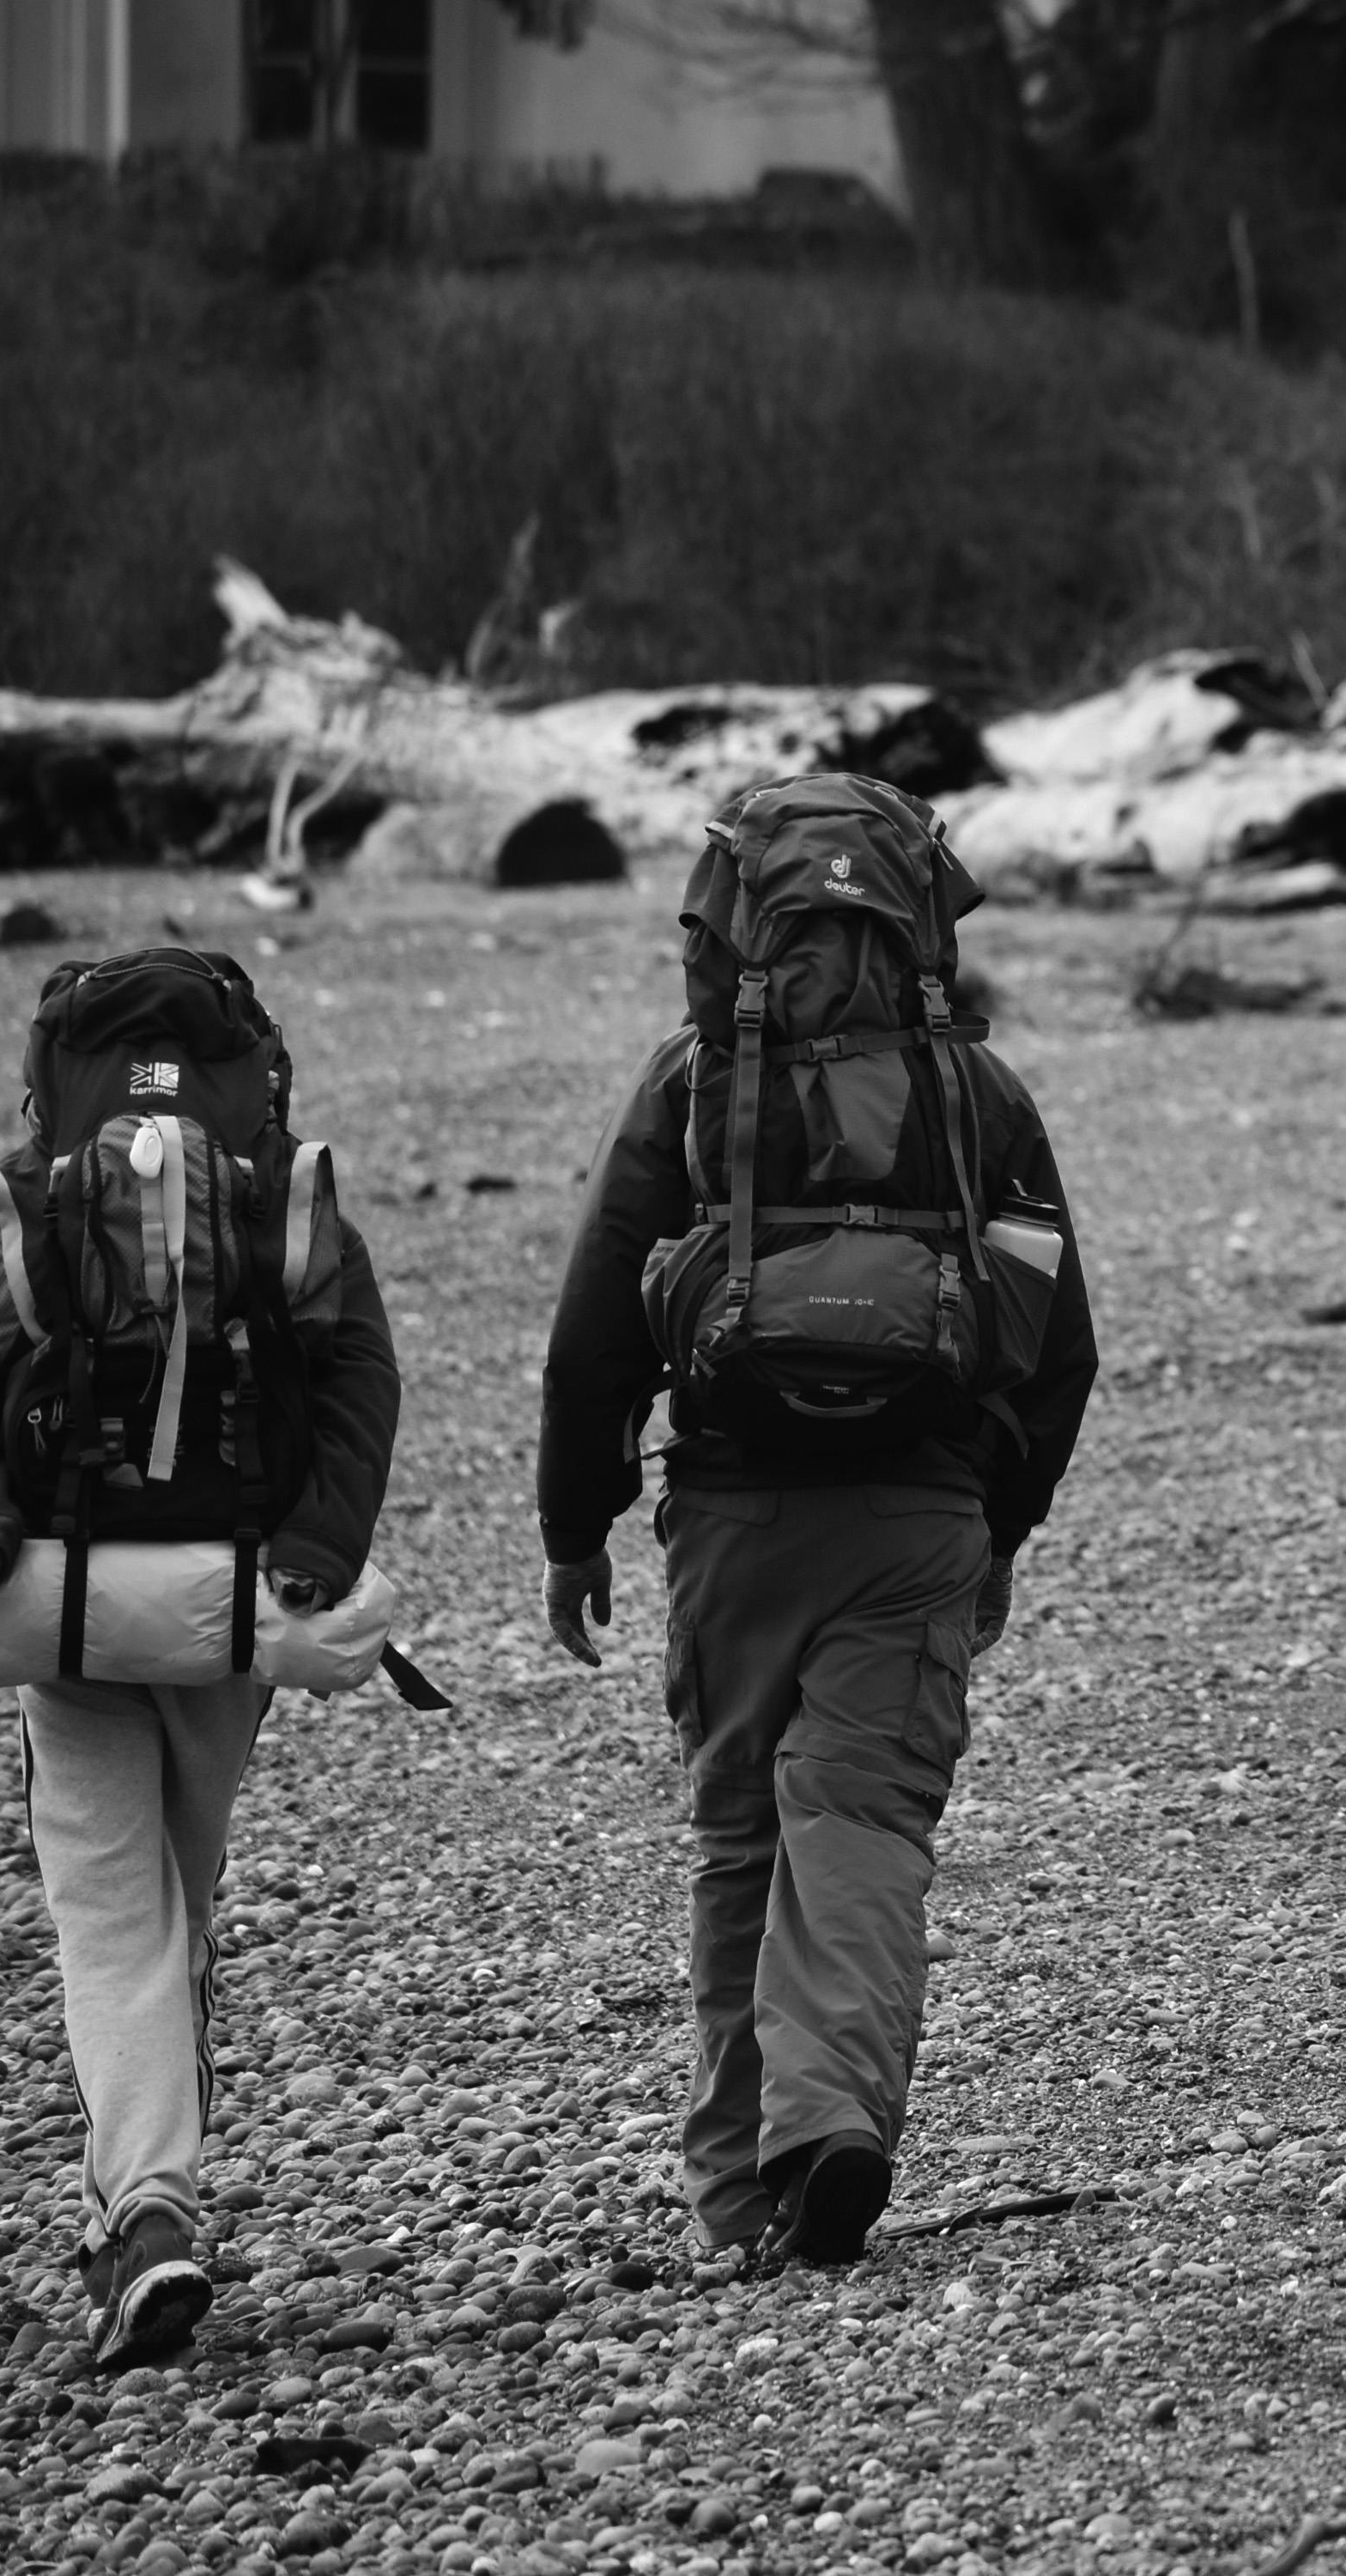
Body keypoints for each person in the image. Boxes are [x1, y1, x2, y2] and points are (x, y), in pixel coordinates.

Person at [537, 775, 1100, 2266]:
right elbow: (1061, 1348)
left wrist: (575, 1522)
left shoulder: (687, 1087)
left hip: (732, 1520)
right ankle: (830, 2128)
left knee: (737, 1843)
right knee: (859, 1821)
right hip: (917, 1516)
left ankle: (735, 2199)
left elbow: (598, 1323)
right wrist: (1003, 1530)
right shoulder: (980, 1097)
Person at [0, 949, 403, 2366]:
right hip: (234, 1597)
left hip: (63, 1599)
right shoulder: (277, 1199)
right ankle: (145, 2207)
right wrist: (320, 1539)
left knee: (107, 1915)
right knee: (175, 1909)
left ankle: (143, 2211)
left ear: (54, 1082)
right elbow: (362, 1371)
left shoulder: (33, 1198)